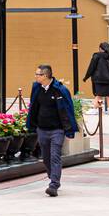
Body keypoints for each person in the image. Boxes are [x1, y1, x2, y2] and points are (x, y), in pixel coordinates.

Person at [26, 64, 77, 198]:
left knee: (55, 156)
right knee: (46, 157)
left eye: (38, 74)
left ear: (45, 76)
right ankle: (52, 175)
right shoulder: (36, 88)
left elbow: (68, 110)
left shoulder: (60, 90)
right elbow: (33, 107)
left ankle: (54, 184)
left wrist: (69, 130)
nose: (36, 76)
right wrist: (32, 125)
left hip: (57, 130)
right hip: (42, 129)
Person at [84, 42, 109, 113]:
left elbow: (91, 68)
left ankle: (95, 109)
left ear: (100, 48)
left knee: (99, 95)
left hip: (99, 79)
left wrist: (86, 77)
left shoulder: (96, 56)